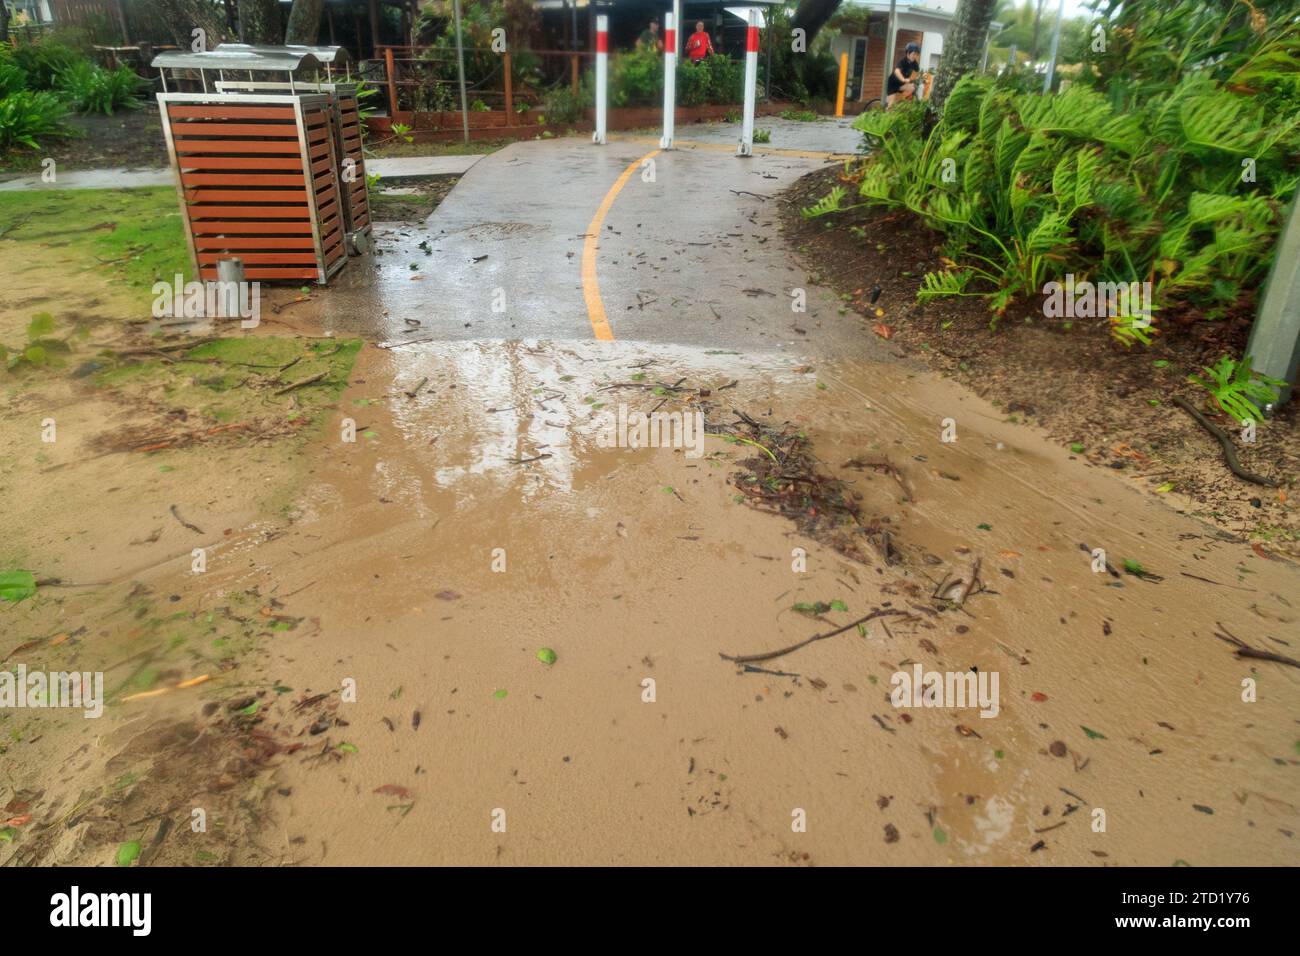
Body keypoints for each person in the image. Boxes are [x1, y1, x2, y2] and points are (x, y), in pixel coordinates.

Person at [885, 42, 922, 107]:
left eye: (916, 54)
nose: (915, 56)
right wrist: (903, 79)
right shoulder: (903, 61)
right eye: (913, 54)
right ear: (908, 54)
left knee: (913, 87)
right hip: (893, 84)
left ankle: (902, 104)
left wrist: (921, 78)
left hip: (901, 85)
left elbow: (917, 74)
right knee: (890, 105)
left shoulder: (915, 64)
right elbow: (897, 71)